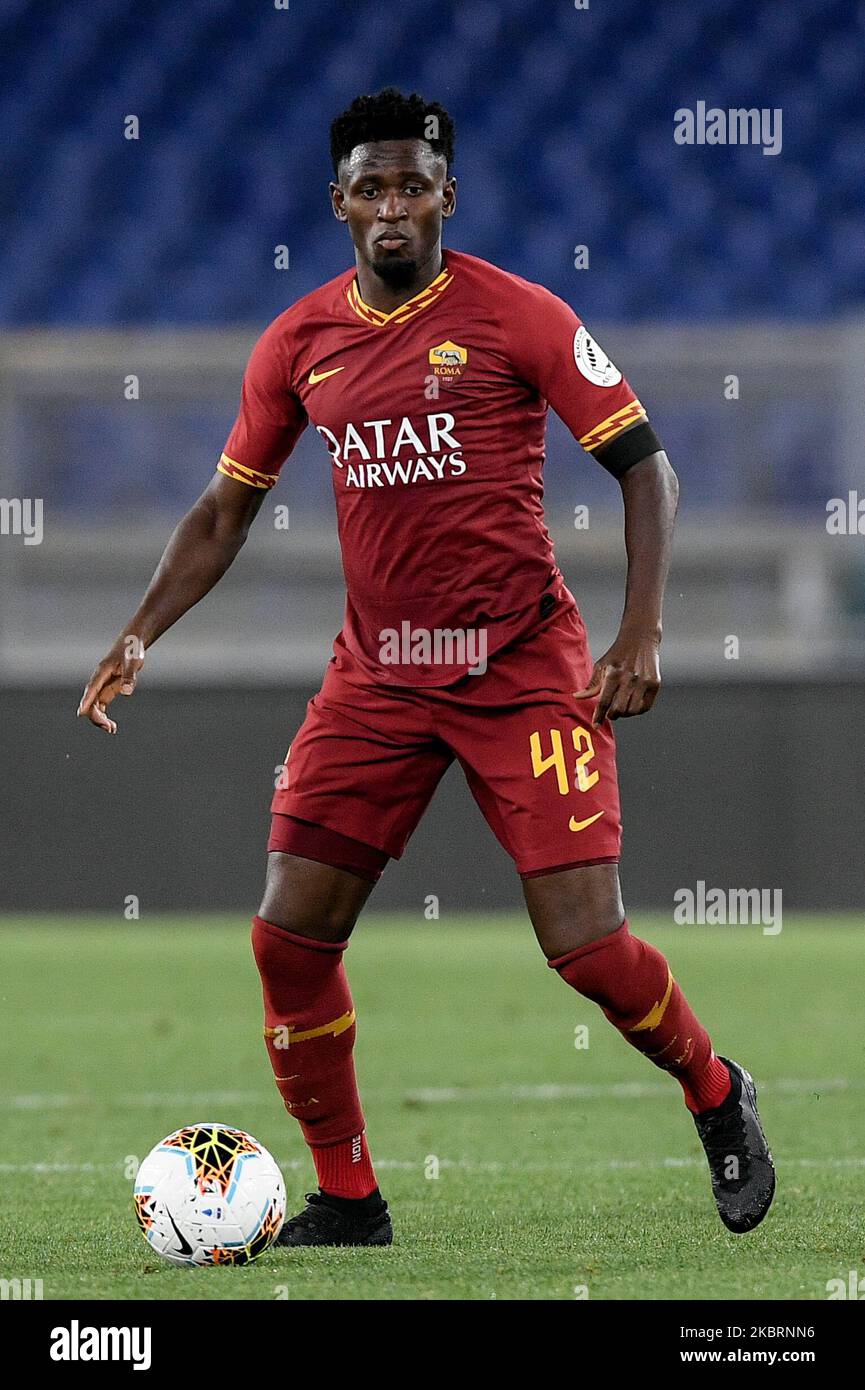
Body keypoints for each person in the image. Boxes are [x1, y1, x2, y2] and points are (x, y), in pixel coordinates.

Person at [79, 88, 775, 1247]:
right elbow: (221, 512)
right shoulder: (299, 343)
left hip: (522, 667)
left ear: (447, 195)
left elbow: (647, 470)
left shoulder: (521, 317)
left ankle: (714, 1090)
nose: (393, 207)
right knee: (286, 938)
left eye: (413, 185)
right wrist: (141, 629)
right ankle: (351, 1199)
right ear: (338, 203)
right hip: (380, 675)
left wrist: (640, 630)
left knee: (589, 951)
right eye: (371, 187)